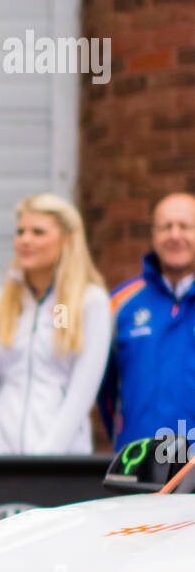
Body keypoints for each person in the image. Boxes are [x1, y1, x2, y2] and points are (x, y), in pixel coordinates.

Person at [0, 194, 111, 455]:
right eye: (20, 231)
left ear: (67, 240)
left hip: (62, 459)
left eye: (38, 232)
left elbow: (83, 390)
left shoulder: (90, 302)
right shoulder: (2, 301)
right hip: (1, 456)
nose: (25, 240)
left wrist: (48, 455)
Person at [99, 192, 195, 450]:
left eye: (185, 226)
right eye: (166, 227)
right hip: (139, 460)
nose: (175, 235)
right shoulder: (120, 303)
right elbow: (103, 386)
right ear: (153, 235)